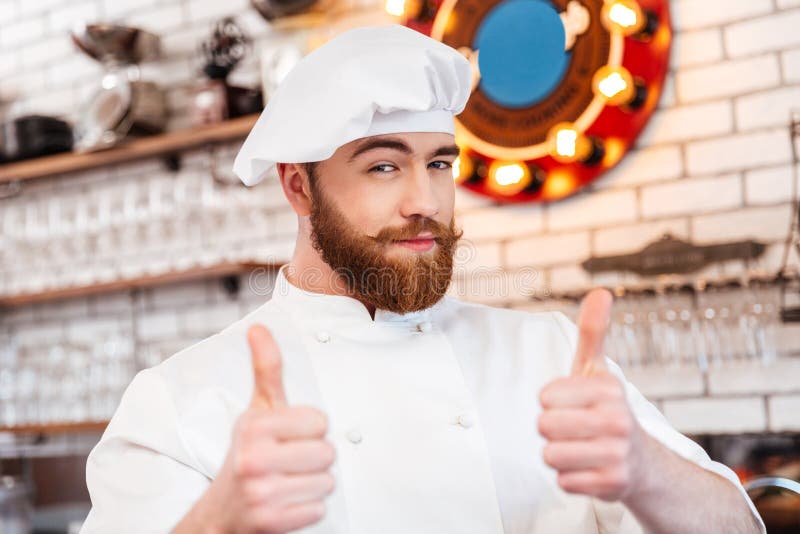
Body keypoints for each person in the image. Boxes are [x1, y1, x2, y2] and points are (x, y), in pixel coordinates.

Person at [81, 25, 764, 534]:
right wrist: (221, 520)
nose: (426, 202)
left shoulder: (551, 354)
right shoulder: (183, 401)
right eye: (384, 165)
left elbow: (738, 524)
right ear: (298, 187)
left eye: (440, 163)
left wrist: (646, 472)